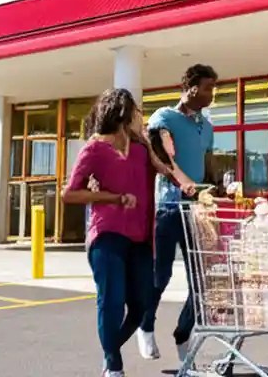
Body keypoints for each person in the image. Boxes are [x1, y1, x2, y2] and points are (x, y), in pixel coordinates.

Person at [62, 88, 156, 377]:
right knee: (112, 301)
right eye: (135, 112)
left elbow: (162, 171)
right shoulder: (94, 149)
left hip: (140, 237)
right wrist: (113, 198)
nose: (139, 117)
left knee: (141, 306)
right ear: (122, 115)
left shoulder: (141, 150)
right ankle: (114, 365)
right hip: (107, 234)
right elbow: (70, 193)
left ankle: (109, 351)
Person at [137, 63, 217, 363]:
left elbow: (208, 165)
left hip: (197, 212)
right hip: (169, 209)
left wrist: (216, 190)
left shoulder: (207, 127)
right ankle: (145, 325)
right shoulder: (164, 117)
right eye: (208, 88)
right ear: (192, 88)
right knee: (161, 275)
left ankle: (183, 335)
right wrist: (185, 185)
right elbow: (162, 157)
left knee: (201, 280)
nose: (212, 94)